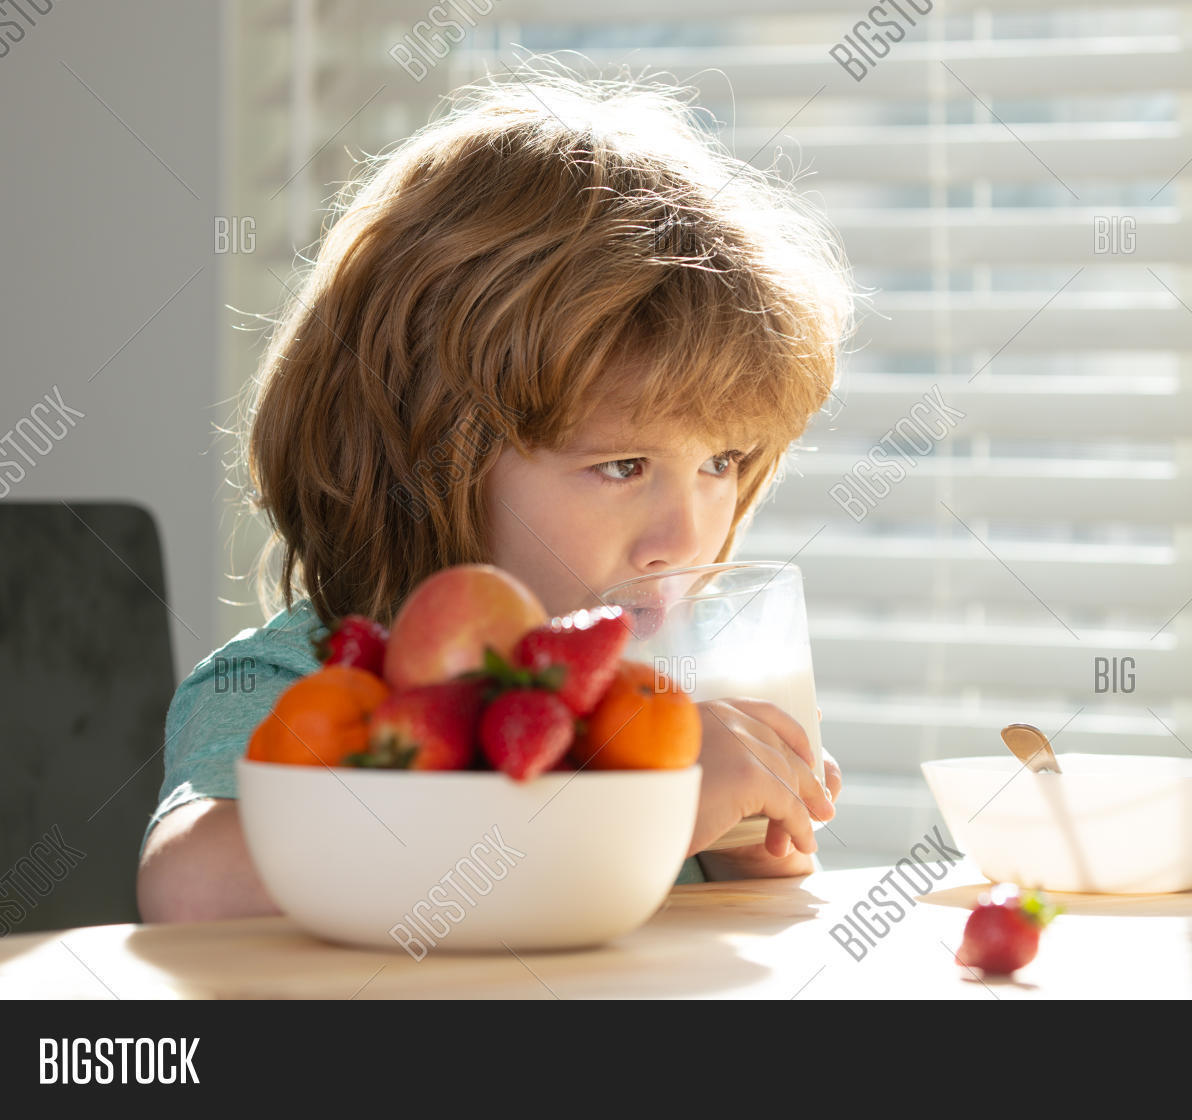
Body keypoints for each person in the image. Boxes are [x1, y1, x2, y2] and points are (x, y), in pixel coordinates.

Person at [136, 64, 859, 923]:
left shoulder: (658, 708)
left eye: (721, 462)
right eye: (623, 467)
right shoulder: (307, 687)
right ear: (431, 454)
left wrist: (750, 857)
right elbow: (195, 888)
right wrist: (637, 819)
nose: (683, 538)